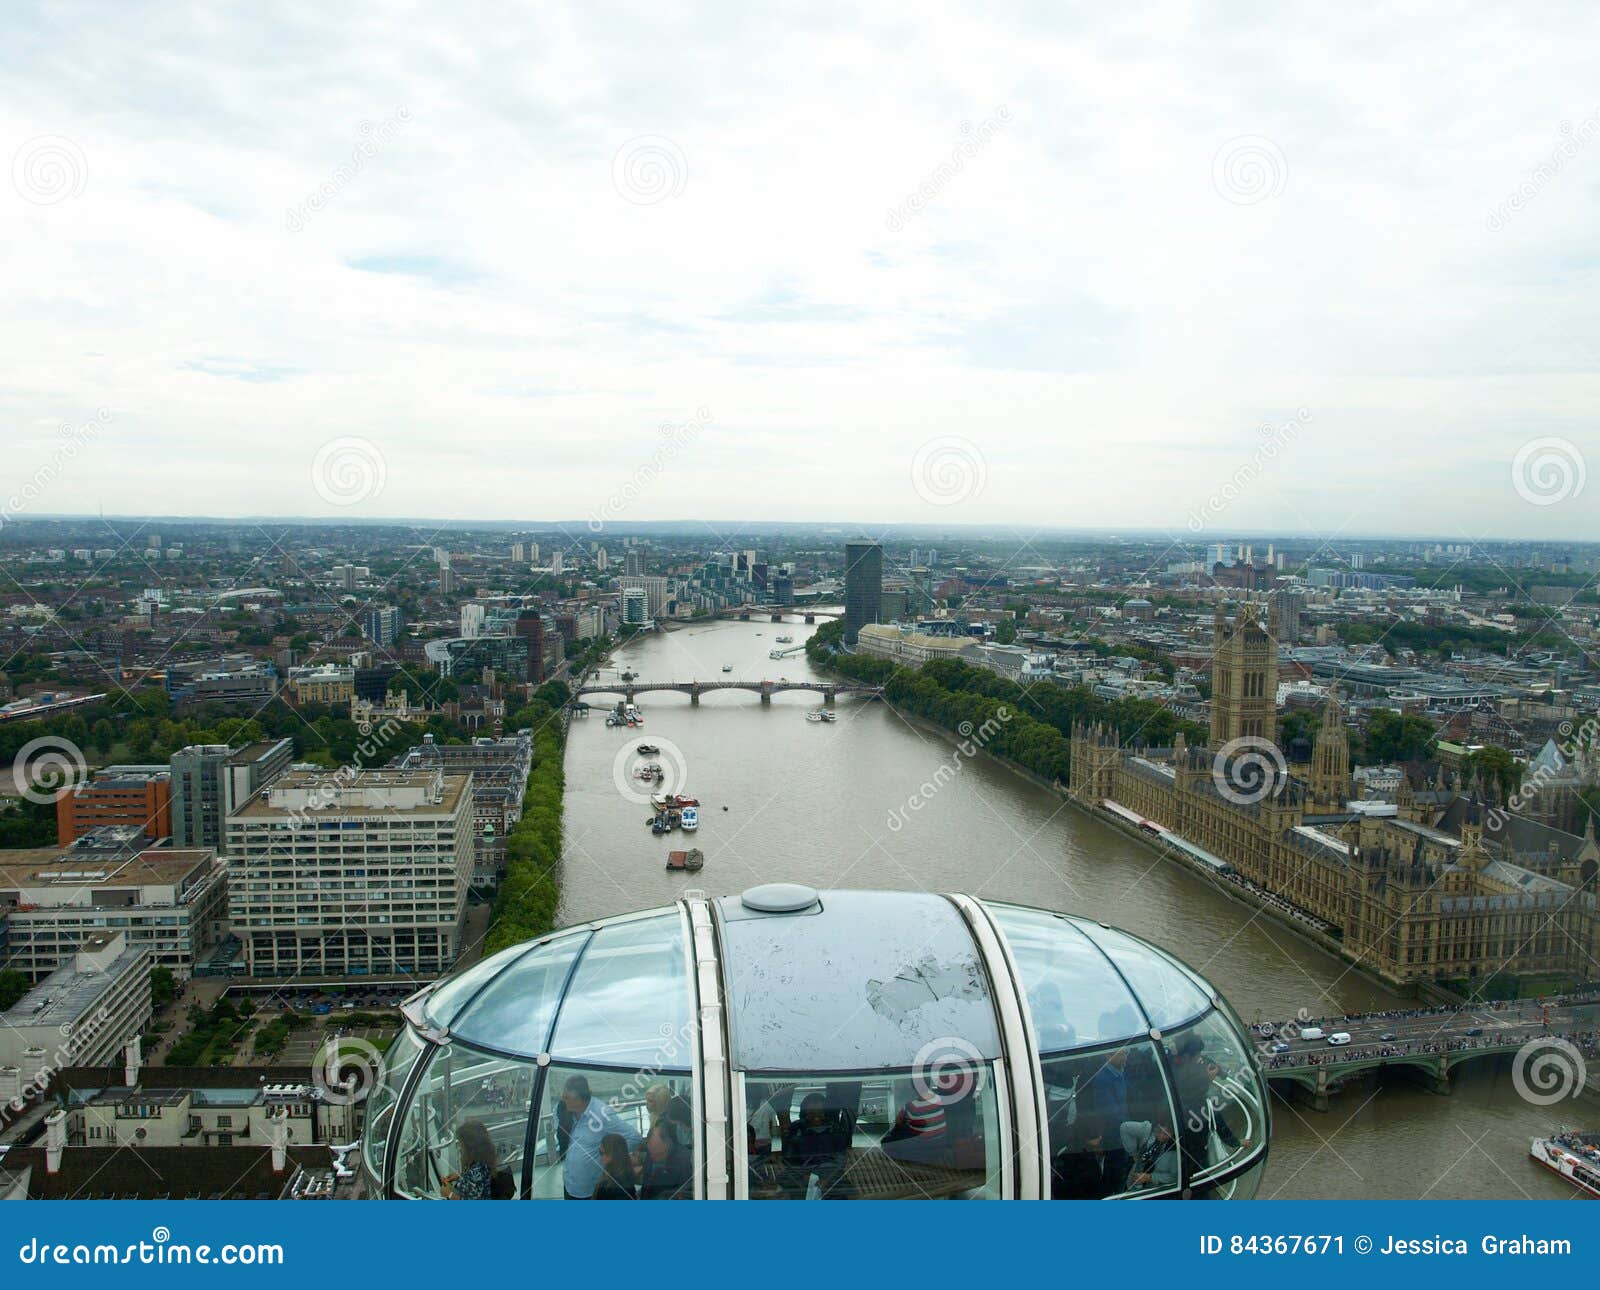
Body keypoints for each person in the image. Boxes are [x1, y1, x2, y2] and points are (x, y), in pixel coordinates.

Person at [559, 1074, 642, 1199]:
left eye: (566, 1097)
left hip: (591, 1191)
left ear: (579, 1099)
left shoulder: (602, 1114)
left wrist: (610, 1155)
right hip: (569, 1186)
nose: (562, 1099)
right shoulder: (563, 1109)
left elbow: (634, 1137)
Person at [1052, 1116, 1126, 1199]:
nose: (1100, 1138)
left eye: (1102, 1134)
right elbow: (1060, 1190)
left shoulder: (1115, 1154)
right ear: (1083, 1138)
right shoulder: (1069, 1156)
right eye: (1094, 1135)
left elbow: (1119, 1181)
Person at [1120, 1118, 1178, 1191]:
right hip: (1131, 1184)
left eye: (1166, 1133)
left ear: (1173, 1132)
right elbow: (1124, 1127)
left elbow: (1175, 1177)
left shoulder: (1175, 1152)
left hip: (1154, 1191)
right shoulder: (1147, 1131)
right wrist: (1133, 1154)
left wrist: (1150, 1178)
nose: (1161, 1136)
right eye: (1159, 1131)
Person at [639, 1122, 693, 1199]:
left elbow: (683, 1194)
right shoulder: (651, 1153)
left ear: (668, 1143)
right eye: (651, 1153)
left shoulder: (684, 1161)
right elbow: (646, 1185)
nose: (653, 1158)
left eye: (658, 1154)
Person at [450, 1120, 498, 1200]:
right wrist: (460, 1177)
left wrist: (449, 1194)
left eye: (461, 1144)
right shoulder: (483, 1164)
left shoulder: (475, 1174)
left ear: (471, 1149)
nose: (459, 1149)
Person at [645, 1082, 694, 1147]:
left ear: (659, 1102)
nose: (646, 1103)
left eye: (650, 1101)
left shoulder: (664, 1122)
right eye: (646, 1099)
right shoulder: (655, 1115)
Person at [594, 1133, 638, 1200]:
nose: (601, 1157)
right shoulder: (619, 1173)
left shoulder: (619, 1184)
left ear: (616, 1154)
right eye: (600, 1152)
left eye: (603, 1153)